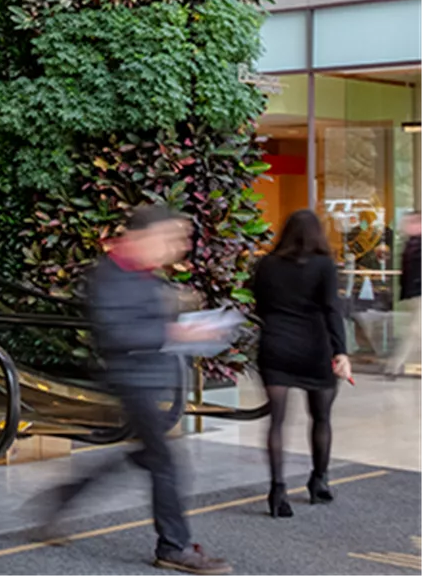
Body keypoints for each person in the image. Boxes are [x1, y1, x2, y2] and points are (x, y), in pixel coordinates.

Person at [37, 204, 231, 575]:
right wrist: (175, 332)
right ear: (142, 236)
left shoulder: (147, 276)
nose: (177, 247)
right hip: (130, 379)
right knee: (166, 463)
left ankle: (64, 497)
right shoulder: (108, 275)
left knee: (145, 456)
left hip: (152, 378)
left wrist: (185, 319)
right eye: (171, 238)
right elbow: (115, 333)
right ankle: (173, 547)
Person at [249, 208, 349, 516]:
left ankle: (278, 490)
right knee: (320, 419)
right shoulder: (324, 265)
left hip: (276, 344)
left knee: (276, 421)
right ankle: (318, 480)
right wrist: (341, 351)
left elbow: (258, 305)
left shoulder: (266, 264)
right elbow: (332, 309)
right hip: (314, 347)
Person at [387, 211, 422, 380]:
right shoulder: (411, 244)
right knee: (415, 331)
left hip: (417, 293)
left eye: (412, 222)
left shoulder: (414, 245)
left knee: (415, 331)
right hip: (417, 294)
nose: (407, 226)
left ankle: (394, 365)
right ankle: (394, 365)